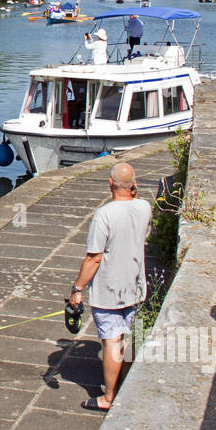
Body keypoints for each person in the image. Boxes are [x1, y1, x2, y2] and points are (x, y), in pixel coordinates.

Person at [67, 162, 152, 412]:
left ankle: (109, 397)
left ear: (110, 183)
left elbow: (94, 257)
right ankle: (125, 385)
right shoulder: (144, 207)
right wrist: (132, 190)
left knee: (112, 341)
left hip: (109, 289)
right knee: (128, 336)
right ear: (134, 185)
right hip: (135, 286)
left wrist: (77, 288)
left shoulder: (105, 215)